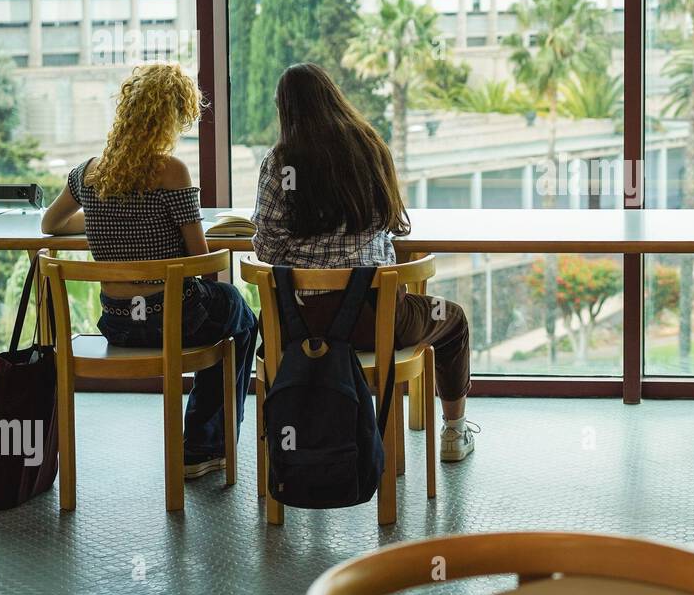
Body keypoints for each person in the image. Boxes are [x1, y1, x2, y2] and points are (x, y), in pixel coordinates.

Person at [42, 62, 258, 478]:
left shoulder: (88, 172)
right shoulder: (171, 171)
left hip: (117, 324)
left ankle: (203, 445)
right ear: (168, 118)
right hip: (171, 321)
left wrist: (107, 223)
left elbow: (50, 224)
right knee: (238, 314)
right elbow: (200, 260)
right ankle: (201, 447)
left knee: (226, 316)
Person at [251, 62, 476, 461]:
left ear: (285, 109)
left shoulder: (280, 161)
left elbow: (267, 249)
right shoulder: (370, 147)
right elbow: (394, 221)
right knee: (453, 320)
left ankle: (297, 447)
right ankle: (454, 434)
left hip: (299, 328)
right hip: (376, 323)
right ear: (333, 96)